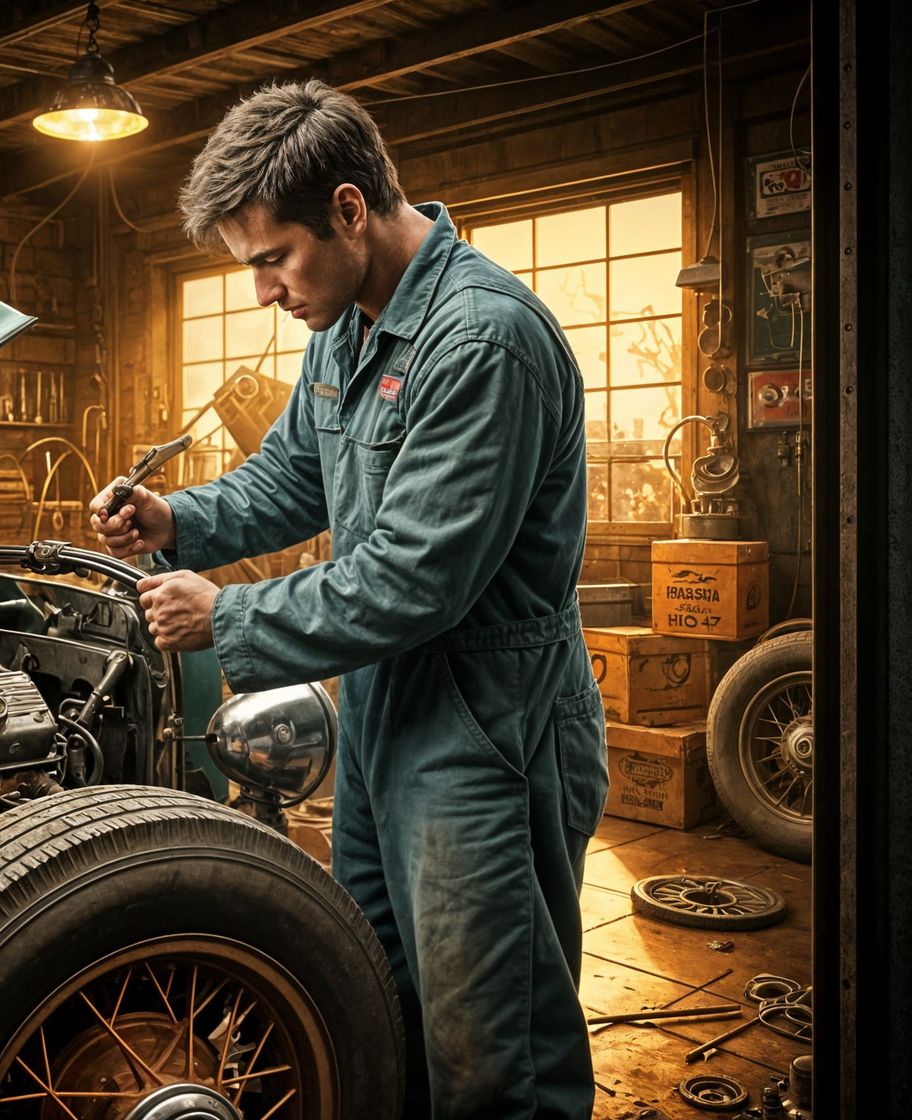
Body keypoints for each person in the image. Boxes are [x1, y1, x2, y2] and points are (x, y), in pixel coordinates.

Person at [89, 79, 610, 1120]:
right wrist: (174, 519)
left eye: (270, 260)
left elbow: (417, 576)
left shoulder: (483, 340)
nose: (262, 292)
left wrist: (225, 619)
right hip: (379, 711)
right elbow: (292, 479)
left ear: (347, 208)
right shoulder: (344, 323)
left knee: (491, 1044)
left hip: (484, 721)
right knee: (382, 994)